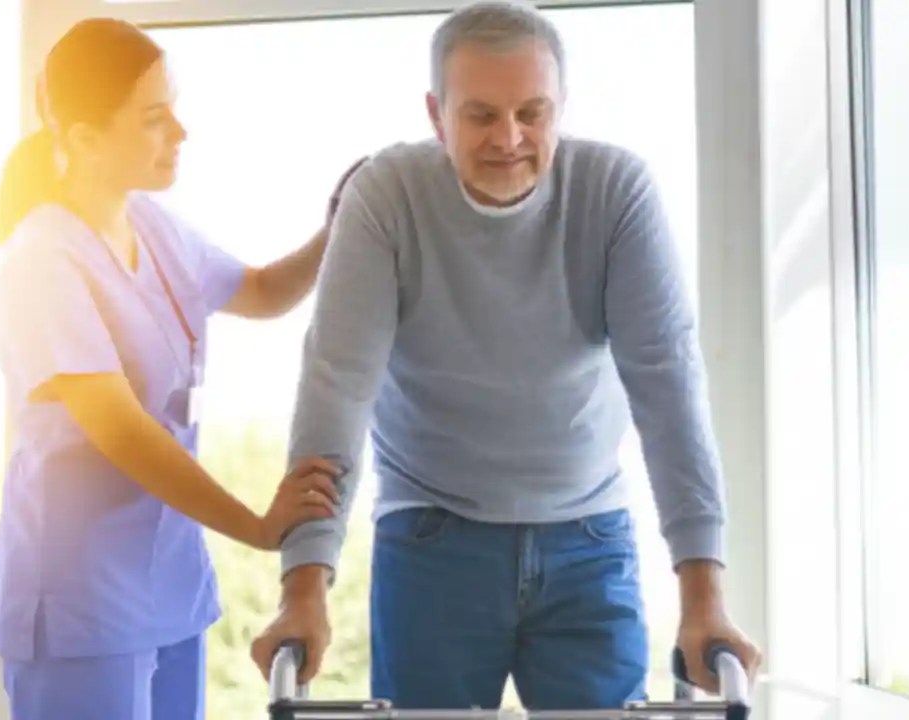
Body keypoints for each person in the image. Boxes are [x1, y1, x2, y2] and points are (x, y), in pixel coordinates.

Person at [251, 1, 763, 712]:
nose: (510, 138)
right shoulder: (386, 198)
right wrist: (302, 585)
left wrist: (704, 595)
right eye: (481, 115)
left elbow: (668, 388)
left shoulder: (616, 193)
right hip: (432, 537)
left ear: (561, 107)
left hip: (587, 538)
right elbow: (337, 390)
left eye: (532, 112)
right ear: (437, 114)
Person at [0, 18, 356, 720]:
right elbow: (121, 432)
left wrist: (339, 225)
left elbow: (265, 291)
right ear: (85, 139)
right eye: (155, 119)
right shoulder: (42, 261)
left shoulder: (153, 228)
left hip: (168, 586)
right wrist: (255, 524)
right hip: (80, 603)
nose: (179, 133)